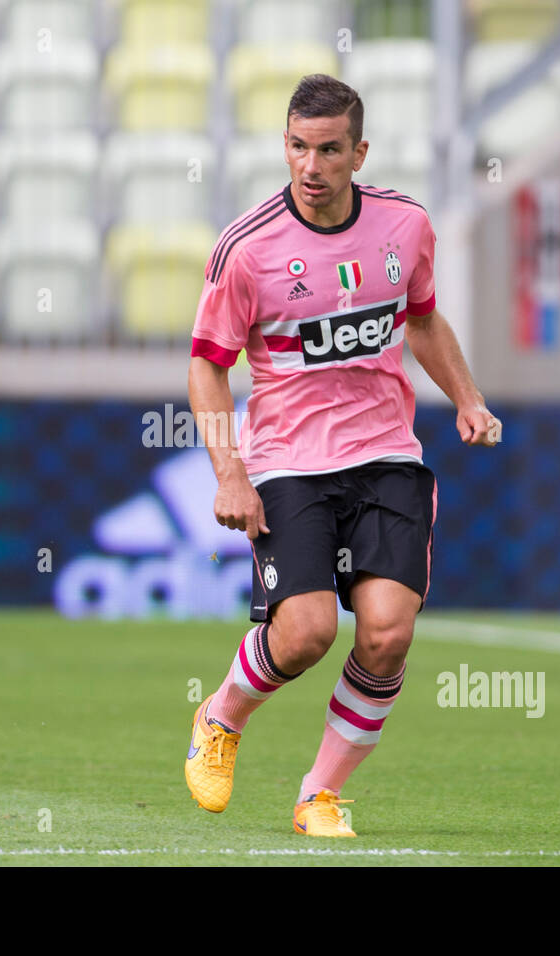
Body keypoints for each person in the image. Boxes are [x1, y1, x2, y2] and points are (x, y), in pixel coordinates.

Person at [184, 74, 500, 837]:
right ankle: (223, 714)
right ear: (284, 146)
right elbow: (207, 365)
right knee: (307, 633)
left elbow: (422, 322)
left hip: (387, 454)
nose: (311, 166)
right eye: (298, 147)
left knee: (388, 632)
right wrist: (230, 473)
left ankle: (318, 794)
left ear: (360, 152)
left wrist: (467, 398)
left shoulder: (404, 227)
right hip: (290, 462)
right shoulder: (247, 249)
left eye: (329, 150)